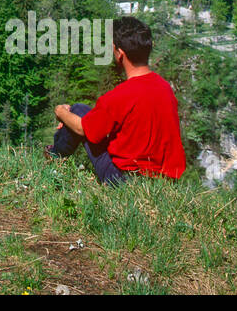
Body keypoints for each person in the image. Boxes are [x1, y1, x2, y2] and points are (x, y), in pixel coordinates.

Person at [46, 17, 186, 185]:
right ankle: (56, 154)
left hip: (124, 179)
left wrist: (61, 112)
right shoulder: (165, 88)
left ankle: (55, 157)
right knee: (80, 111)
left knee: (77, 111)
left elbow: (83, 129)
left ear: (119, 53)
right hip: (165, 180)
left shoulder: (119, 96)